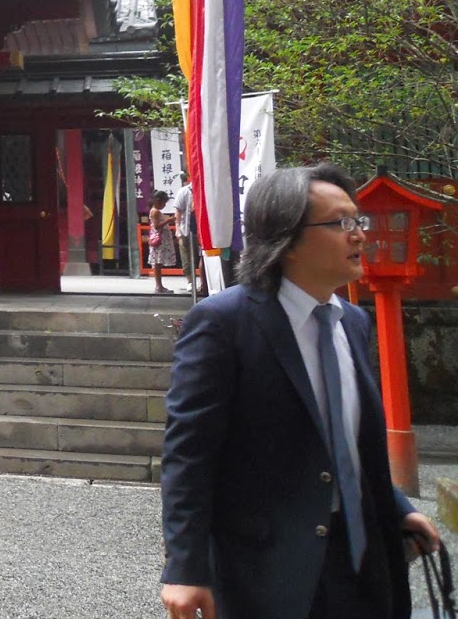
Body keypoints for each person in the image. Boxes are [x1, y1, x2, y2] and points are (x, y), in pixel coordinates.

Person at [159, 164, 440, 619]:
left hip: (362, 557)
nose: (359, 234)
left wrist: (398, 507)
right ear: (285, 240)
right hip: (269, 566)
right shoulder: (225, 322)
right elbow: (189, 453)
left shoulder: (352, 322)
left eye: (359, 220)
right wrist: (185, 567)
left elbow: (348, 444)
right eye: (341, 223)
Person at [168, 174, 202, 296]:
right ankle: (190, 281)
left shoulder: (204, 189)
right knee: (186, 257)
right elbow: (178, 211)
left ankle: (203, 282)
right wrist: (177, 229)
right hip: (186, 228)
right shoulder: (184, 191)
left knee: (202, 257)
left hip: (201, 230)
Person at [147, 189, 178, 294]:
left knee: (158, 263)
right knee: (157, 263)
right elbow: (156, 226)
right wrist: (168, 220)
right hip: (159, 241)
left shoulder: (155, 211)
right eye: (164, 203)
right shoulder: (155, 211)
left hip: (160, 240)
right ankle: (159, 286)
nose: (164, 205)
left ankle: (159, 286)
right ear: (157, 201)